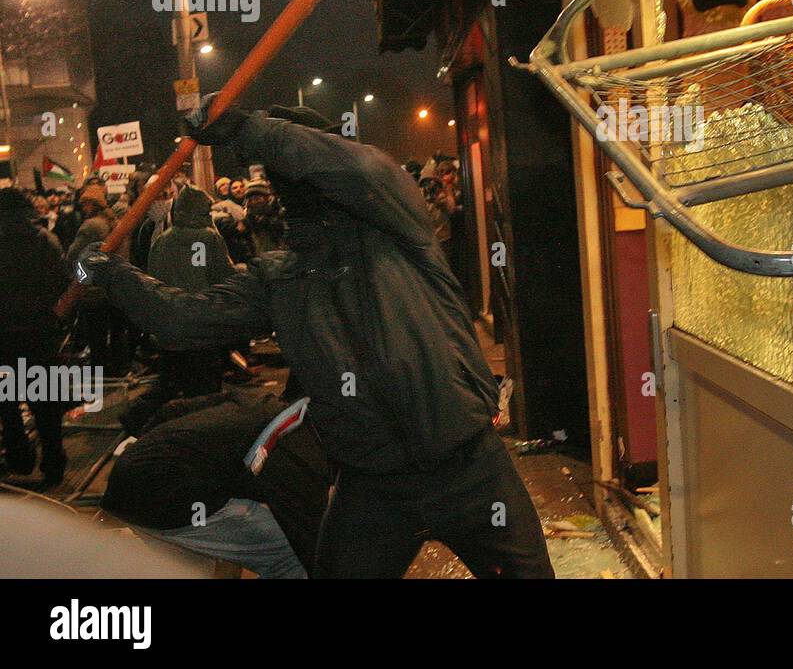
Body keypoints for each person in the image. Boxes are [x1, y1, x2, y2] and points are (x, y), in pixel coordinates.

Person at [77, 99, 553, 578]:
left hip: (470, 467)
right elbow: (181, 320)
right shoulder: (282, 277)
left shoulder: (398, 227)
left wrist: (249, 130)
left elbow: (358, 168)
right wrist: (110, 274)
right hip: (374, 487)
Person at [104, 389, 331, 579]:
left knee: (202, 563)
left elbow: (172, 409)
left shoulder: (258, 402)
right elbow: (309, 540)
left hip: (129, 482)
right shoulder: (298, 453)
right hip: (168, 499)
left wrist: (157, 449)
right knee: (287, 555)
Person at [121, 186, 237, 434]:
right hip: (200, 323)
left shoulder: (162, 241)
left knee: (172, 379)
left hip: (169, 323)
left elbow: (152, 281)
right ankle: (203, 431)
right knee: (205, 385)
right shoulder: (208, 238)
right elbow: (222, 276)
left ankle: (137, 414)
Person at [0, 188, 68, 486]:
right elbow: (62, 281)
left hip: (3, 335)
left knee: (7, 400)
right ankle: (53, 464)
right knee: (45, 403)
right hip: (39, 333)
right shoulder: (45, 240)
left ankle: (19, 455)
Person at [68, 181, 129, 376]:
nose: (83, 207)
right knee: (118, 332)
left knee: (97, 334)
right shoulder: (116, 223)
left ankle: (99, 371)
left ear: (92, 204)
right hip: (117, 286)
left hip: (96, 289)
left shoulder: (91, 226)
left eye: (85, 203)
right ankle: (120, 368)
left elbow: (73, 254)